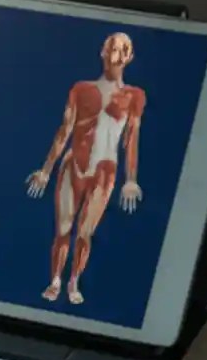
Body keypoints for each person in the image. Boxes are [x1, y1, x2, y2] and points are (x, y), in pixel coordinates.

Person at [25, 32, 145, 305]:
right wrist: (45, 169)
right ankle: (55, 279)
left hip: (104, 170)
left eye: (121, 50)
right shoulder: (81, 89)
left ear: (129, 57)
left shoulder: (134, 95)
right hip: (73, 165)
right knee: (63, 229)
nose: (115, 54)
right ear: (102, 52)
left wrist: (131, 179)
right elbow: (65, 130)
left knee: (85, 233)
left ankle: (74, 280)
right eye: (111, 48)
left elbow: (131, 139)